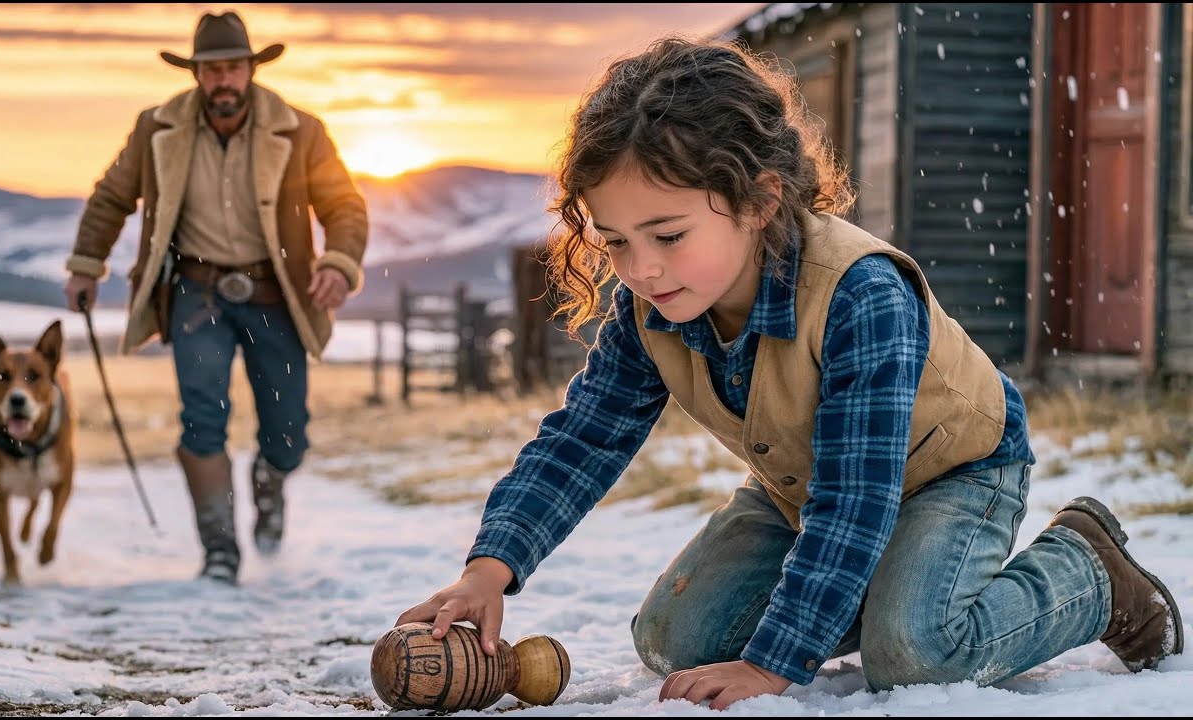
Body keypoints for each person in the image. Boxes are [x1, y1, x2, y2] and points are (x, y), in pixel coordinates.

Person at [396, 36, 1183, 708]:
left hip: (952, 476)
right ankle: (885, 589)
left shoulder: (859, 294)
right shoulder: (652, 306)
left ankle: (1089, 572)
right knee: (676, 640)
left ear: (759, 200)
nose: (640, 269)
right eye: (616, 242)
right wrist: (489, 569)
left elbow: (858, 495)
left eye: (667, 235)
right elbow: (584, 439)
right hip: (807, 493)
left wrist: (775, 662)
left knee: (913, 654)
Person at [63, 11, 369, 585]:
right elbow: (110, 198)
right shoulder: (157, 128)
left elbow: (344, 207)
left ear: (250, 70)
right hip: (195, 293)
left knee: (287, 433)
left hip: (276, 296)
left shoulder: (300, 130)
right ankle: (220, 550)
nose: (222, 80)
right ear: (196, 74)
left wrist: (337, 264)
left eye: (232, 68)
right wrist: (86, 266)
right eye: (211, 70)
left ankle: (270, 486)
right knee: (202, 421)